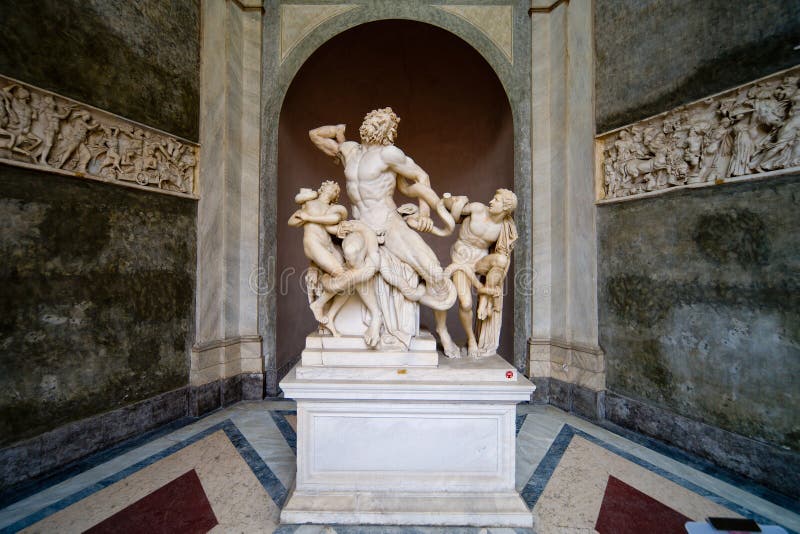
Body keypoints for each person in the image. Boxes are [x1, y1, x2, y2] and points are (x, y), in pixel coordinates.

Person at [309, 108, 456, 349]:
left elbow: (421, 177)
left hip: (388, 222)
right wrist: (336, 131)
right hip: (360, 225)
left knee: (433, 271)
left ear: (389, 131)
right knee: (353, 253)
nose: (375, 124)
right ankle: (375, 316)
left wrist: (425, 213)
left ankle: (443, 330)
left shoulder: (389, 154)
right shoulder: (349, 150)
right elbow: (315, 135)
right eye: (372, 119)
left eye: (382, 122)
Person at [434, 189, 517, 358]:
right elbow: (452, 210)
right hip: (461, 261)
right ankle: (471, 338)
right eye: (493, 198)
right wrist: (454, 199)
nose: (491, 202)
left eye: (497, 200)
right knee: (465, 304)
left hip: (480, 262)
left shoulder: (504, 227)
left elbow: (505, 256)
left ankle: (485, 298)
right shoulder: (478, 209)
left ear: (505, 208)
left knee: (500, 260)